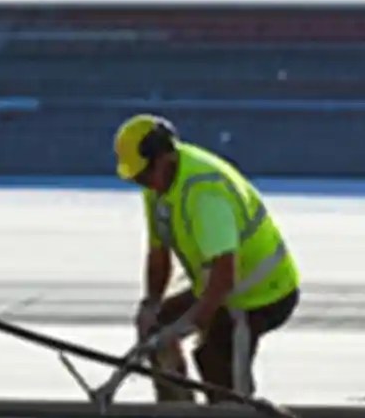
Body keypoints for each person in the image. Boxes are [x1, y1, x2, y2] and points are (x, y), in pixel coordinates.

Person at [113, 114, 300, 403]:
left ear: (165, 158)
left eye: (145, 175)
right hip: (222, 284)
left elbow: (225, 276)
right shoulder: (158, 187)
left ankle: (232, 415)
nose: (144, 183)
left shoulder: (204, 193)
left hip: (259, 294)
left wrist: (190, 323)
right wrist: (151, 304)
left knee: (214, 356)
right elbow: (159, 252)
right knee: (157, 328)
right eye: (137, 178)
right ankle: (174, 405)